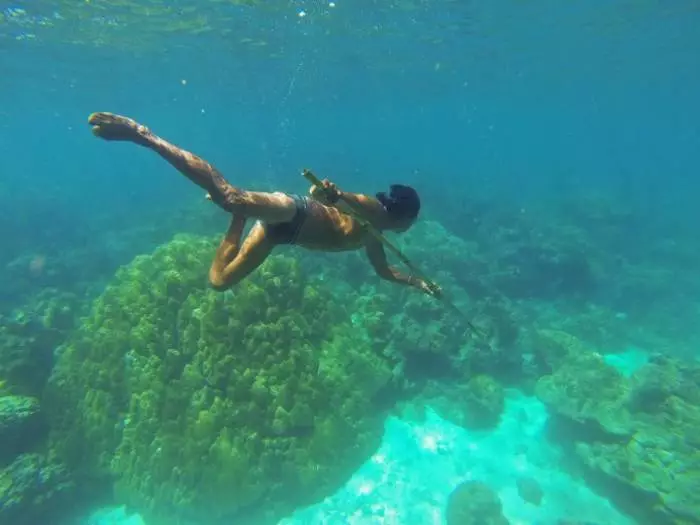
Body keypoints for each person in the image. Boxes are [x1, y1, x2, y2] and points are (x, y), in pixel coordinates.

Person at [87, 112, 440, 297]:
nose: (411, 227)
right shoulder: (373, 210)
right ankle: (145, 136)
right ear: (404, 216)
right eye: (413, 221)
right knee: (229, 196)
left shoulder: (376, 236)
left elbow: (384, 272)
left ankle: (238, 219)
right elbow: (342, 199)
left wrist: (419, 283)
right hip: (296, 210)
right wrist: (333, 194)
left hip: (281, 236)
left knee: (219, 282)